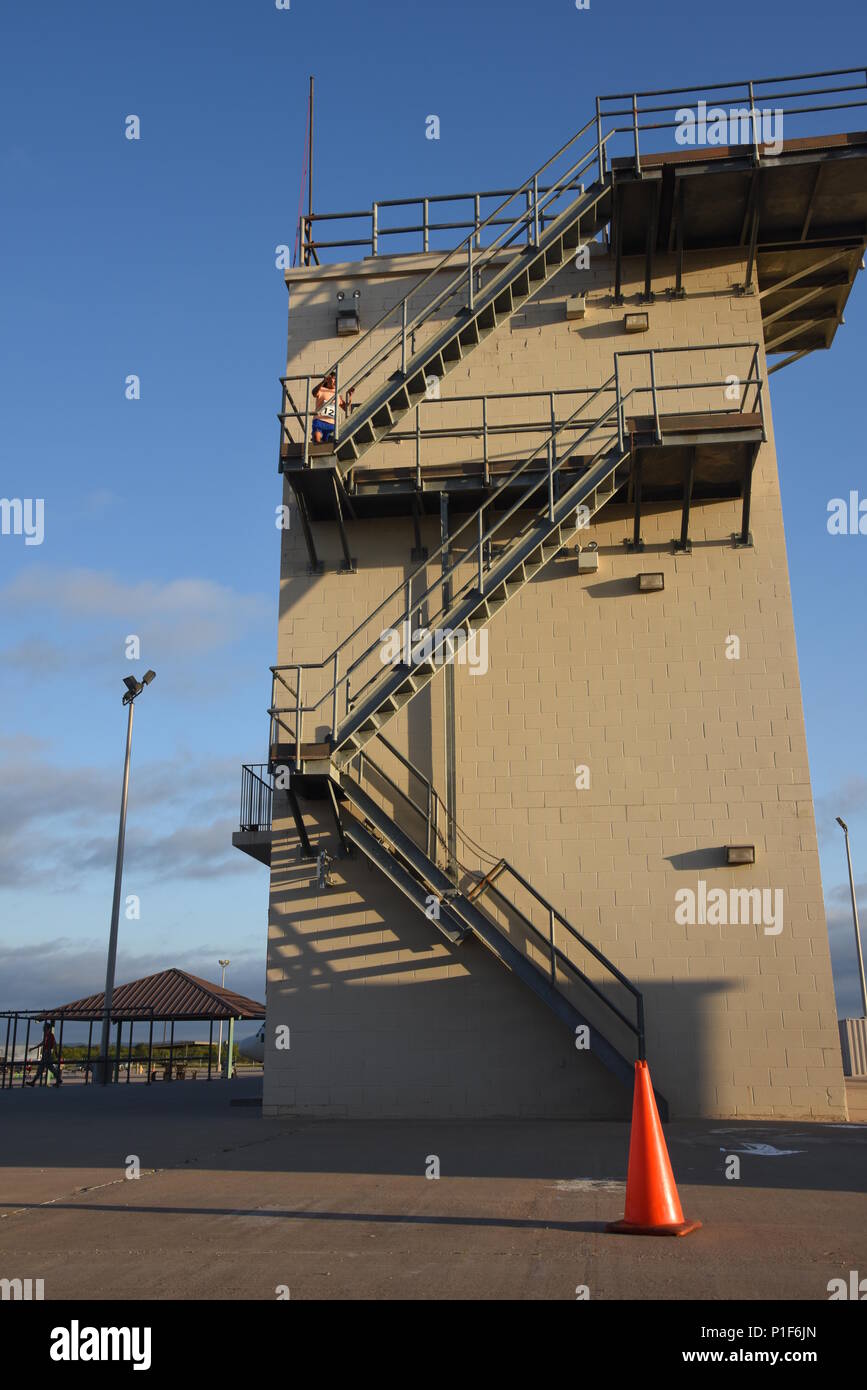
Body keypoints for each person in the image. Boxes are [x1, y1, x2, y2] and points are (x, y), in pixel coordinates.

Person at [311, 372, 354, 443]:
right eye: (334, 379)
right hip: (319, 420)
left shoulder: (337, 393)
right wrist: (323, 381)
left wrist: (350, 397)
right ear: (328, 380)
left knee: (329, 445)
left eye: (337, 380)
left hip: (332, 424)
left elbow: (346, 408)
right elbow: (313, 393)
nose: (335, 381)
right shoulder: (321, 389)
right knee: (317, 441)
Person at [28, 1020, 62, 1087]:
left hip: (47, 1053)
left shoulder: (50, 1035)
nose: (43, 1028)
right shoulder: (47, 1035)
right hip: (46, 1053)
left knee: (44, 1068)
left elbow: (54, 1044)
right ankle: (33, 1082)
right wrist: (34, 1048)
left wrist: (56, 1052)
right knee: (45, 1068)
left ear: (47, 1028)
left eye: (44, 1027)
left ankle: (33, 1082)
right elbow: (43, 1043)